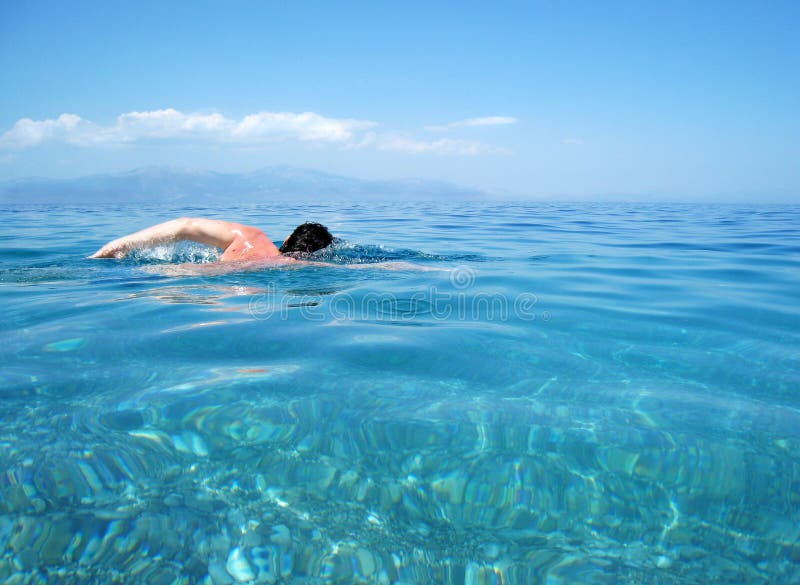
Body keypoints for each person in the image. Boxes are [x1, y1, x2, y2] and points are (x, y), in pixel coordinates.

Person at [89, 218, 333, 262]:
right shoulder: (299, 265)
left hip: (182, 275)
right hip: (215, 293)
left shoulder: (250, 237)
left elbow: (185, 226)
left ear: (289, 238)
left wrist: (117, 245)